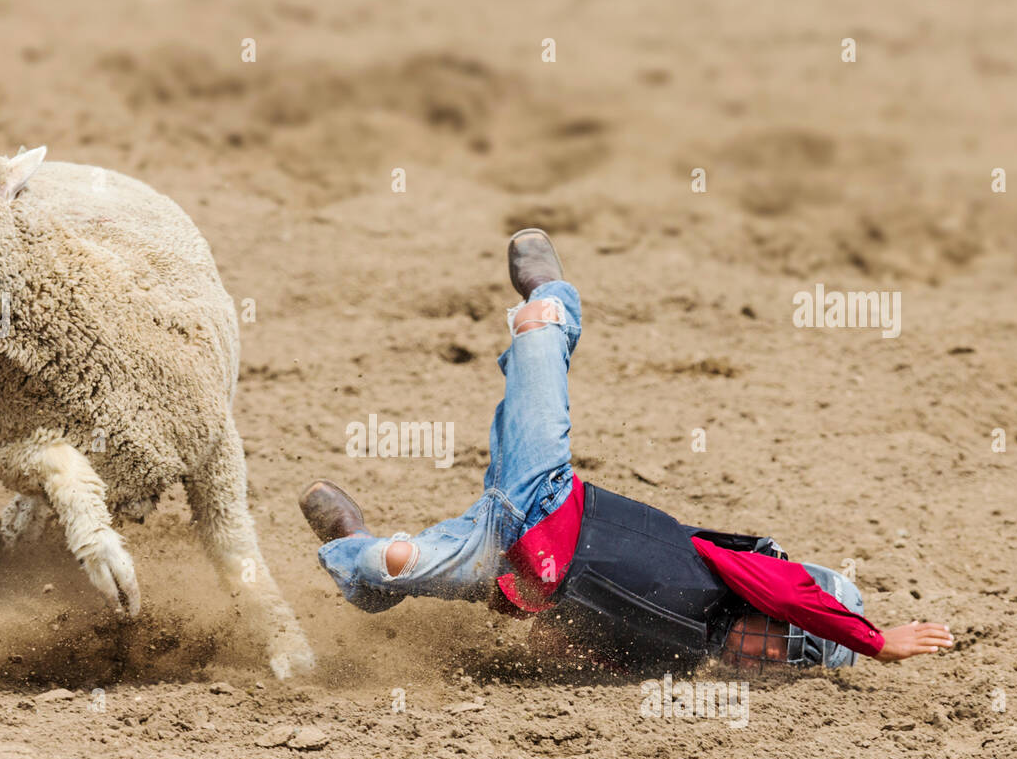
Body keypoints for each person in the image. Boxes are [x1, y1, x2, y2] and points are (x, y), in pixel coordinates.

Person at [298, 229, 953, 672]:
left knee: (397, 561)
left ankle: (360, 557)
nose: (768, 653)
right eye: (786, 642)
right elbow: (788, 589)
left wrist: (534, 630)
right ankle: (551, 296)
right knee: (538, 334)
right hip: (546, 492)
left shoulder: (675, 658)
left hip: (512, 563)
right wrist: (871, 641)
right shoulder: (736, 573)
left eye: (783, 661)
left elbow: (567, 647)